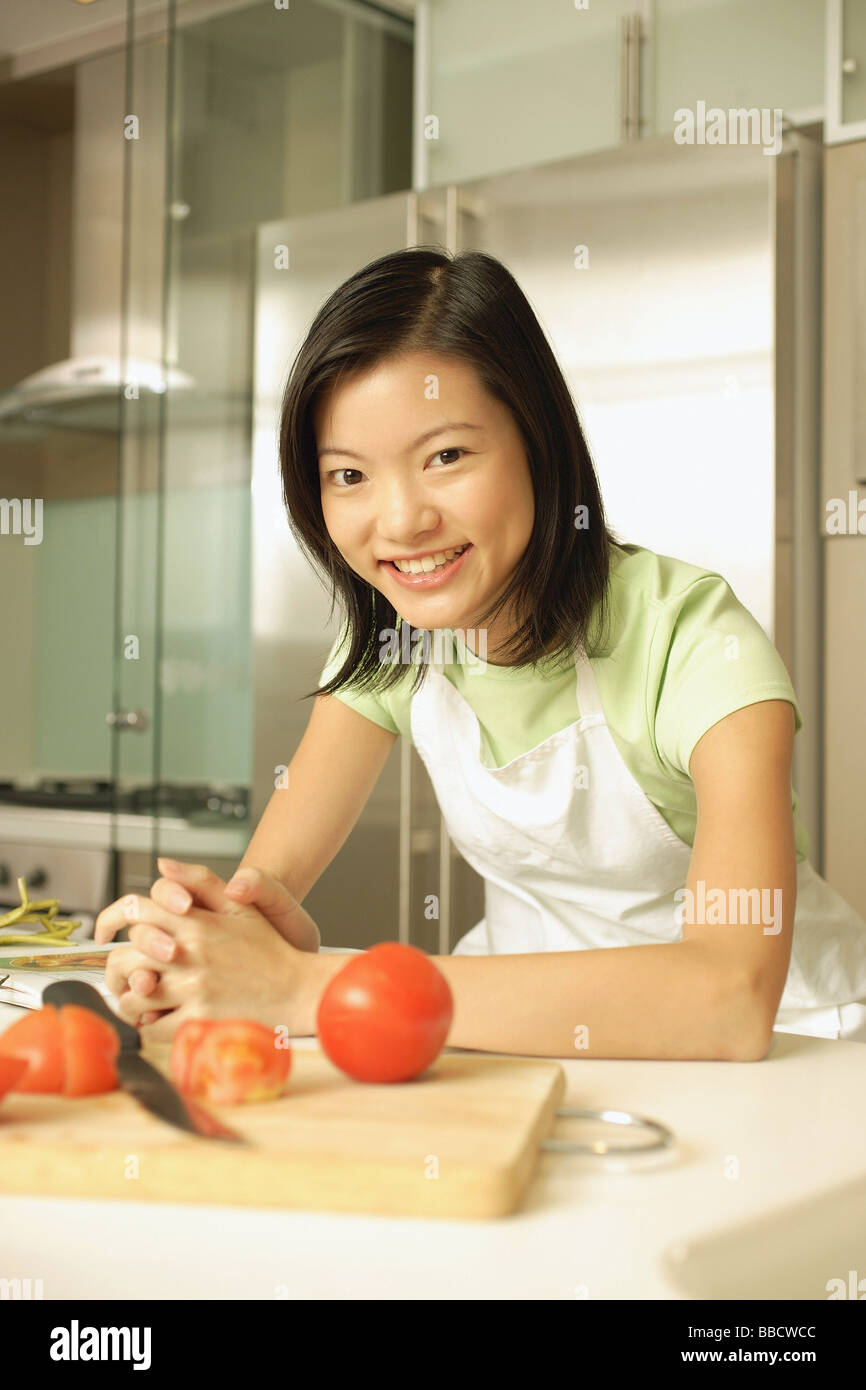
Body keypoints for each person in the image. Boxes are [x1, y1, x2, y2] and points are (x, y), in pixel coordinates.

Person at [94, 248, 866, 1060]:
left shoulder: (694, 640)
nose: (400, 521)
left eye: (446, 457)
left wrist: (303, 988)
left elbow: (729, 998)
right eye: (349, 474)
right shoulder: (390, 643)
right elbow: (265, 895)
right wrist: (191, 950)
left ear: (537, 440)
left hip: (790, 1061)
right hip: (515, 1050)